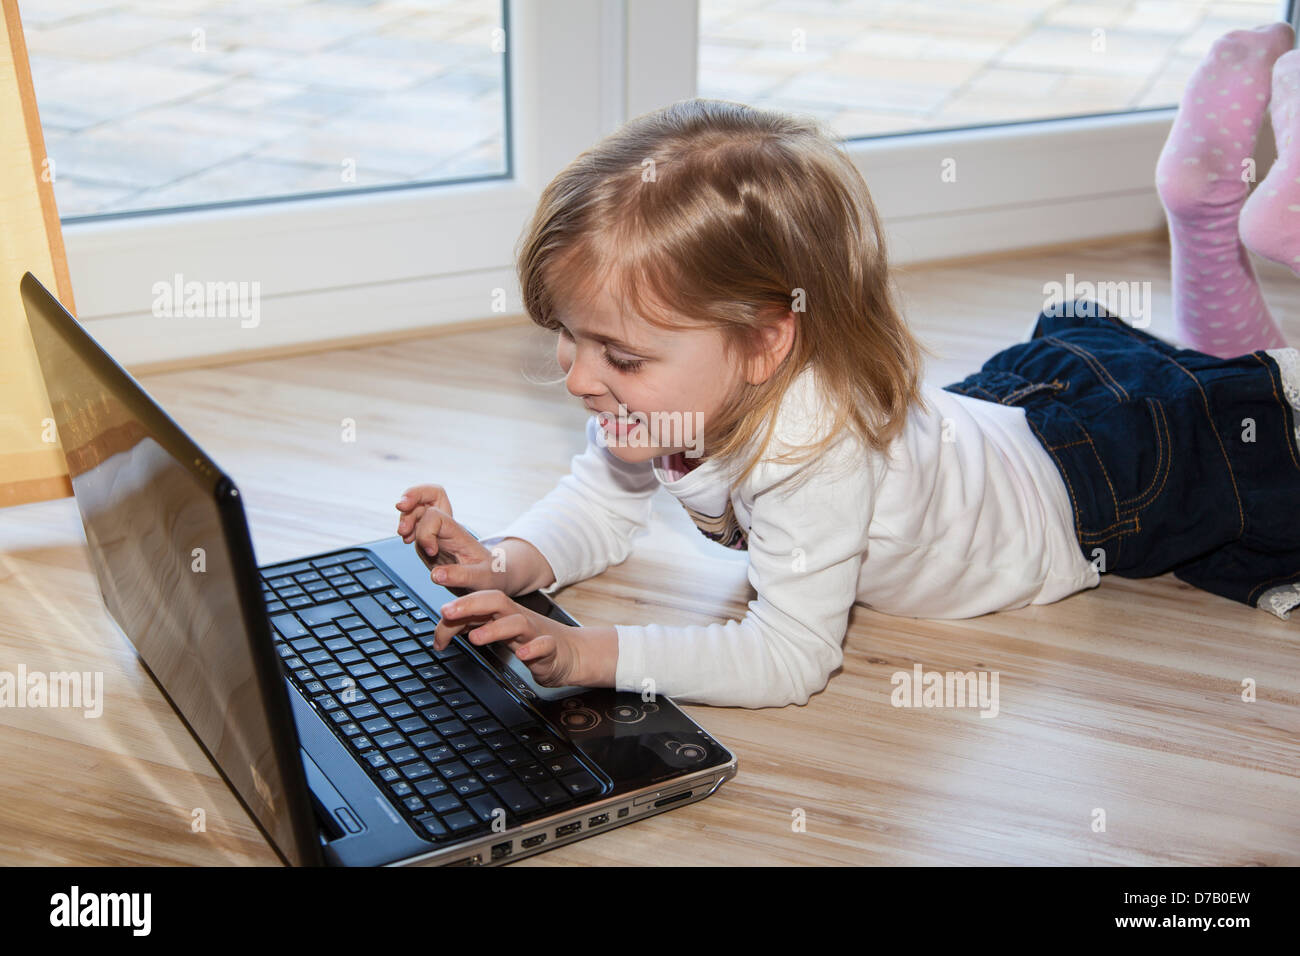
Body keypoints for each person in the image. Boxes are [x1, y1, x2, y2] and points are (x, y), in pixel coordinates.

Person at [395, 26, 1300, 708]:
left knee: (1261, 420)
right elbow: (602, 498)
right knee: (1214, 380)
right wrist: (508, 564)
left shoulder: (810, 453)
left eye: (618, 354)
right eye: (568, 334)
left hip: (1097, 491)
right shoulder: (660, 401)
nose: (580, 378)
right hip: (1008, 416)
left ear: (764, 342)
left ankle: (1250, 206)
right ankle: (1208, 220)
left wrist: (596, 653)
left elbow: (791, 658)